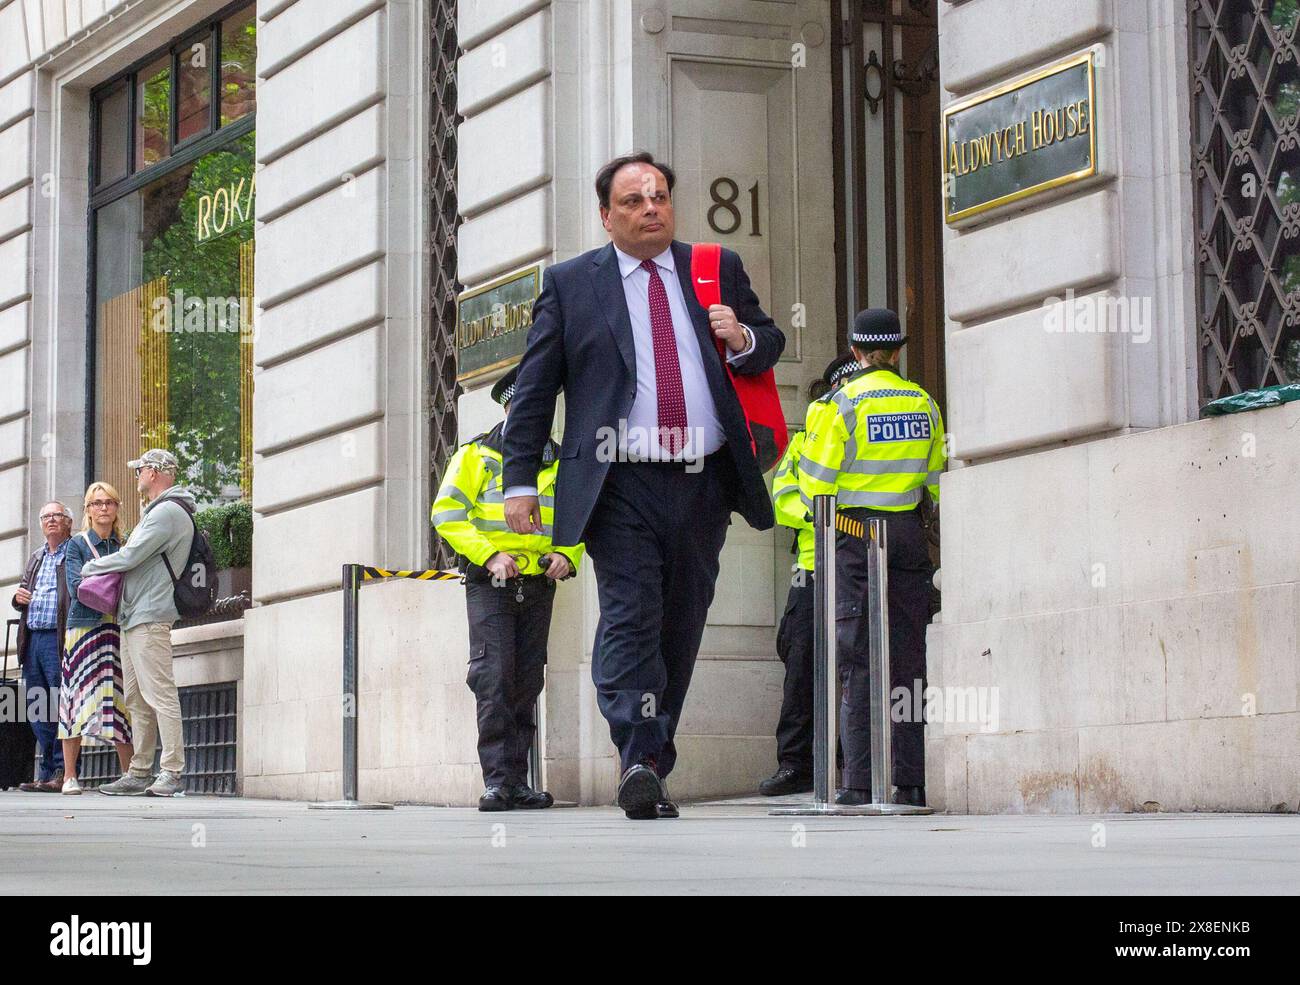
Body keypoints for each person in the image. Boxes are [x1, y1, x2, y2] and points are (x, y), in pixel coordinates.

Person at [502, 151, 785, 819]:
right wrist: (520, 480)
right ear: (607, 215)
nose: (651, 207)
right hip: (619, 478)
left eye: (659, 196)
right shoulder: (571, 284)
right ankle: (637, 751)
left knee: (680, 620)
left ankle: (652, 761)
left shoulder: (715, 269)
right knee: (631, 614)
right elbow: (535, 390)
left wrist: (743, 335)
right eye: (633, 200)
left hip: (704, 477)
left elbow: (768, 343)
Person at [798, 309, 946, 807]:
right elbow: (935, 478)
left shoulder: (838, 404)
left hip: (853, 533)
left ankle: (857, 781)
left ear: (856, 351)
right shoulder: (922, 400)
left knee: (856, 657)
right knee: (909, 659)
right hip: (906, 533)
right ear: (896, 352)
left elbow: (814, 485)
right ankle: (910, 780)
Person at [432, 367, 584, 811]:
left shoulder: (560, 462)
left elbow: (576, 519)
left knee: (525, 682)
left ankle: (518, 782)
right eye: (525, 406)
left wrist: (568, 555)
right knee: (494, 679)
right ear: (507, 407)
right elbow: (447, 514)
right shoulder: (476, 456)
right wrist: (488, 555)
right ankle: (498, 781)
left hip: (538, 585)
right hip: (492, 584)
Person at [759, 353, 858, 797]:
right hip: (815, 571)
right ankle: (797, 763)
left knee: (862, 667)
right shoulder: (802, 444)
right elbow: (783, 500)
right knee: (801, 667)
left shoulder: (864, 432)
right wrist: (829, 521)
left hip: (864, 564)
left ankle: (856, 760)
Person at [80, 449, 195, 798]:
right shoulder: (156, 512)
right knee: (136, 698)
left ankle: (171, 771)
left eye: (140, 470)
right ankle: (140, 771)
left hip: (150, 616)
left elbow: (131, 556)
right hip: (133, 616)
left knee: (160, 695)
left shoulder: (168, 512)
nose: (137, 476)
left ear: (156, 473)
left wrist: (89, 568)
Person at [59, 482, 135, 795]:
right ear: (88, 510)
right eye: (97, 503)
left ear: (117, 508)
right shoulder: (76, 544)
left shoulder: (124, 545)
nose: (103, 508)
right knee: (74, 698)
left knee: (120, 700)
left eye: (109, 503)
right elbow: (77, 584)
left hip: (115, 628)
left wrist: (99, 575)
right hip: (82, 627)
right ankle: (69, 776)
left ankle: (129, 774)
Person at [9, 502, 73, 791]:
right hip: (32, 638)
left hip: (57, 638)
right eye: (46, 516)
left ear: (68, 522)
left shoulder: (74, 551)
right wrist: (17, 599)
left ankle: (63, 771)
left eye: (57, 516)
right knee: (39, 708)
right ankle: (47, 772)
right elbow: (23, 590)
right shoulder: (36, 556)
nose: (51, 520)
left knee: (61, 705)